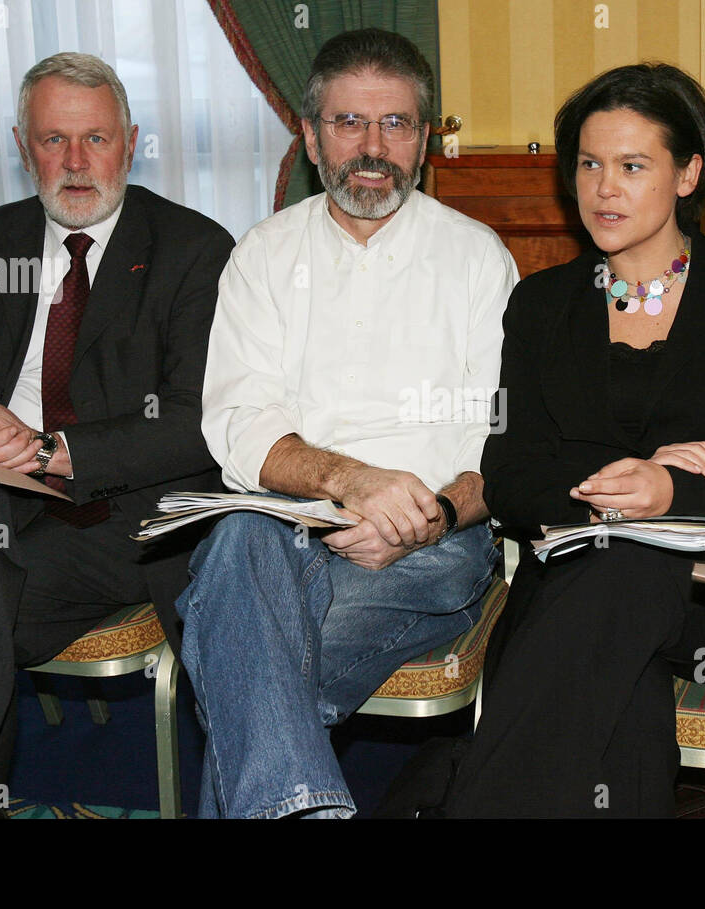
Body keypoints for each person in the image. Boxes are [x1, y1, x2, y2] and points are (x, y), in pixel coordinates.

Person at [436, 63, 705, 818]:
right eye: (590, 164)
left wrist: (675, 489)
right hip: (581, 589)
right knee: (620, 618)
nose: (605, 188)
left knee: (621, 573)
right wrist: (636, 475)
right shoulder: (541, 306)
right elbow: (507, 478)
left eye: (633, 166)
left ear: (689, 172)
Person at [0, 52, 234, 818]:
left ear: (130, 141)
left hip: (119, 516)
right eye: (52, 141)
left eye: (95, 140)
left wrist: (48, 449)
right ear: (20, 143)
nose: (75, 163)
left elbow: (198, 425)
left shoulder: (194, 249)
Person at [180, 28, 517, 818]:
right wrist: (349, 481)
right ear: (308, 134)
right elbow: (235, 423)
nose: (373, 147)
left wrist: (424, 515)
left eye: (396, 124)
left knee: (230, 645)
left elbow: (503, 443)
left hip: (435, 545)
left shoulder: (477, 260)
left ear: (425, 138)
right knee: (240, 544)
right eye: (347, 123)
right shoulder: (262, 256)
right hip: (283, 529)